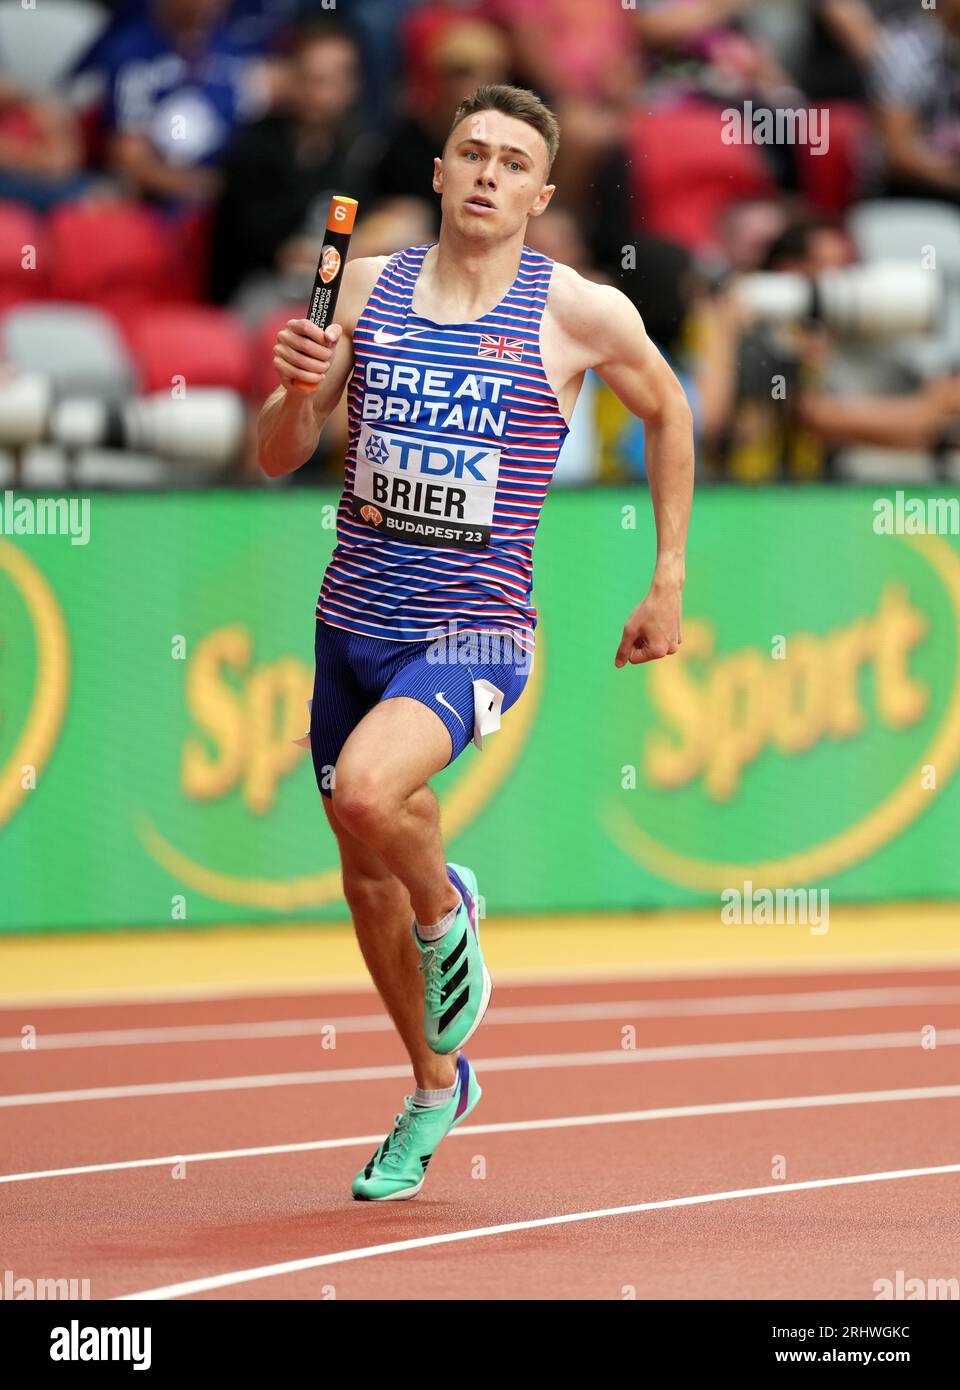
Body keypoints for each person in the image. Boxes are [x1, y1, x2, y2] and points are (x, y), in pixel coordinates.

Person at [256, 84, 694, 1202]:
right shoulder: (361, 286)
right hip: (350, 622)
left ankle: (450, 912)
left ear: (540, 194)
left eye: (512, 162)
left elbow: (669, 411)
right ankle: (433, 1081)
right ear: (439, 175)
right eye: (471, 153)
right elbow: (276, 454)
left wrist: (668, 576)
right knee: (363, 881)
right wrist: (300, 399)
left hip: (474, 628)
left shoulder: (579, 312)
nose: (489, 173)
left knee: (367, 796)